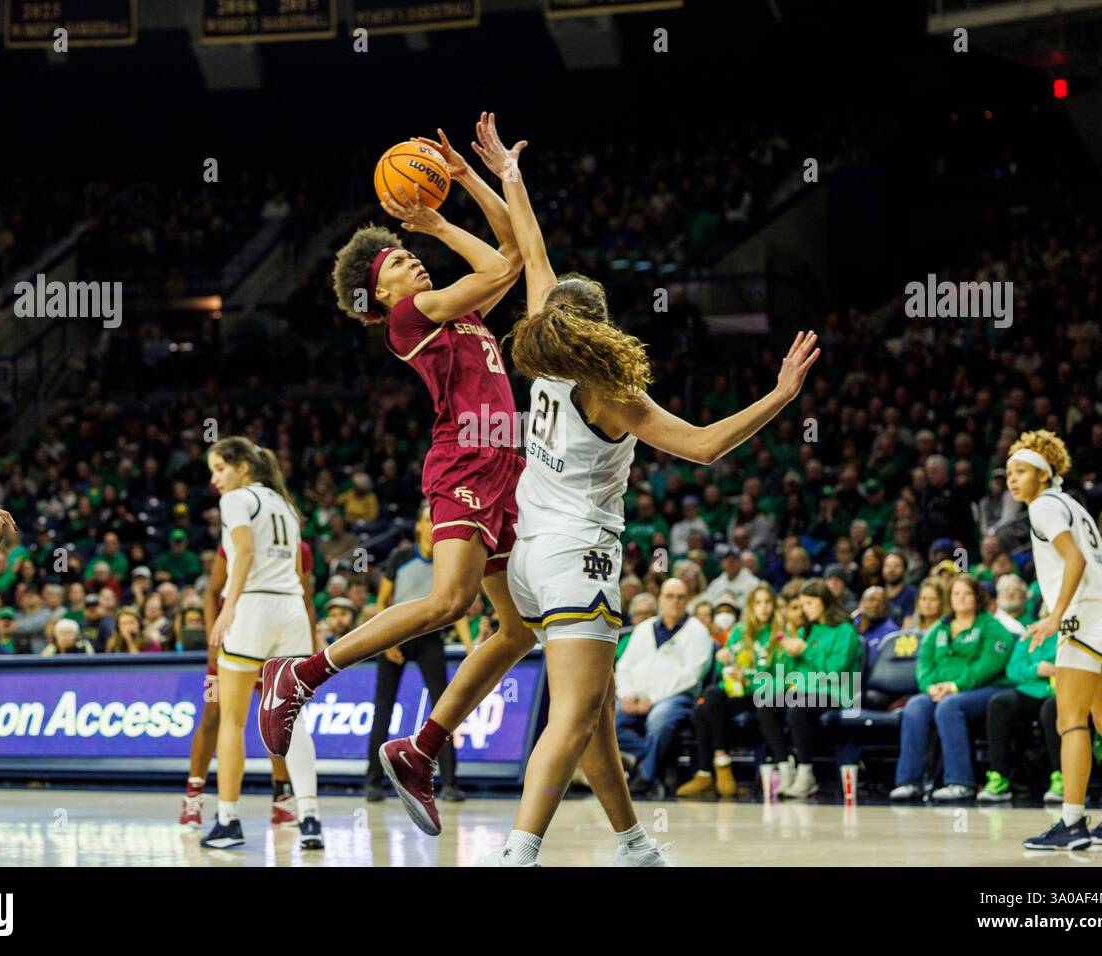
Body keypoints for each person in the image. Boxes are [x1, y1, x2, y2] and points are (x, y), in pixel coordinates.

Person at [365, 112, 818, 866]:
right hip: (579, 557)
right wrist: (779, 397)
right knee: (573, 716)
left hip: (529, 551)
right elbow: (706, 447)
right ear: (602, 328)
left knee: (597, 710)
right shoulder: (614, 396)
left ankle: (634, 844)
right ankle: (518, 852)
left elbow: (532, 250)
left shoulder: (539, 354)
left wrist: (500, 176)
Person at [258, 123, 540, 796]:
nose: (409, 261)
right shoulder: (409, 318)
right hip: (465, 465)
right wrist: (441, 223)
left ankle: (421, 748)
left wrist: (468, 181)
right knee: (449, 599)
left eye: (406, 253)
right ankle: (301, 673)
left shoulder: (458, 316)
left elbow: (511, 253)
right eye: (394, 264)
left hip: (506, 471)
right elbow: (503, 265)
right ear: (379, 294)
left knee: (518, 631)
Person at [1005, 432, 1102, 849]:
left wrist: (1055, 616)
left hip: (1085, 624)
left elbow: (1076, 559)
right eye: (1009, 472)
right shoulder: (1074, 506)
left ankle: (1071, 823)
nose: (1013, 480)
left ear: (1043, 475)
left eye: (1022, 471)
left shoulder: (1044, 507)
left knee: (1070, 721)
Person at [200, 437, 321, 852]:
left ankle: (228, 822)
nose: (216, 479)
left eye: (220, 468)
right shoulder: (284, 503)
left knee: (232, 721)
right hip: (291, 612)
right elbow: (298, 571)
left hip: (253, 608)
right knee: (295, 720)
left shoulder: (237, 500)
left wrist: (227, 607)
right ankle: (309, 818)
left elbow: (246, 552)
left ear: (242, 468)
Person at [179, 539, 315, 831]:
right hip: (234, 642)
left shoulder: (296, 547)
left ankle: (282, 797)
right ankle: (194, 796)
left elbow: (305, 598)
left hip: (274, 642)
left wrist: (311, 641)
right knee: (214, 716)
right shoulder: (234, 540)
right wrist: (212, 638)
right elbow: (212, 592)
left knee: (278, 718)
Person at [363, 505, 465, 803]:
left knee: (444, 710)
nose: (432, 525)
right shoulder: (400, 558)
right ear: (419, 527)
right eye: (426, 520)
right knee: (383, 708)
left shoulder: (449, 562)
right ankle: (372, 782)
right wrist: (386, 643)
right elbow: (382, 603)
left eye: (436, 519)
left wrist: (471, 648)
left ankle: (449, 783)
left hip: (430, 639)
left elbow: (455, 610)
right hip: (395, 637)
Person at [890, 574, 1014, 802]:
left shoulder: (991, 627)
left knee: (949, 706)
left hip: (985, 690)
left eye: (967, 593)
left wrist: (954, 686)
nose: (961, 598)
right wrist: (930, 687)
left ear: (977, 597)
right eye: (956, 593)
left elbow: (989, 665)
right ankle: (909, 781)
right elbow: (924, 664)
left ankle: (960, 781)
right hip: (942, 691)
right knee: (916, 705)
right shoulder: (940, 629)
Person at [755, 579, 863, 799]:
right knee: (766, 703)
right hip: (803, 688)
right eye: (803, 604)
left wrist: (807, 651)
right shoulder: (807, 630)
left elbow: (836, 669)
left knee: (798, 708)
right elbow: (790, 673)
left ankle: (806, 773)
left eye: (810, 603)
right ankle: (785, 767)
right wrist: (788, 651)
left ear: (824, 602)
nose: (805, 609)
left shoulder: (845, 631)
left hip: (835, 691)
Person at [676, 583, 781, 799]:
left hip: (762, 697)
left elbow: (780, 677)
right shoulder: (739, 632)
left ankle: (710, 771)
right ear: (751, 606)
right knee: (707, 700)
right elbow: (723, 673)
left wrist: (749, 679)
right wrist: (724, 663)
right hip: (735, 694)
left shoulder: (779, 634)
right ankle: (716, 765)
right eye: (758, 602)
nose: (763, 608)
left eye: (767, 602)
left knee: (703, 709)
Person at [615, 578, 715, 799]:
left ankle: (646, 777)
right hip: (636, 697)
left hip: (676, 698)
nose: (675, 602)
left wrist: (653, 698)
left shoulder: (697, 631)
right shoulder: (643, 629)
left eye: (680, 597)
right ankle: (654, 758)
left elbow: (692, 676)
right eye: (669, 596)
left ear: (688, 600)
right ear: (660, 599)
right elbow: (624, 666)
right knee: (605, 720)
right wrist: (627, 695)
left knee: (658, 721)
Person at [977, 610, 1061, 804]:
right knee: (999, 704)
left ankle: (1062, 778)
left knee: (1051, 709)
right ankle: (999, 778)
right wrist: (1036, 669)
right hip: (1033, 689)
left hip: (1063, 692)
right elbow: (1013, 669)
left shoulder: (1075, 632)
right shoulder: (1032, 631)